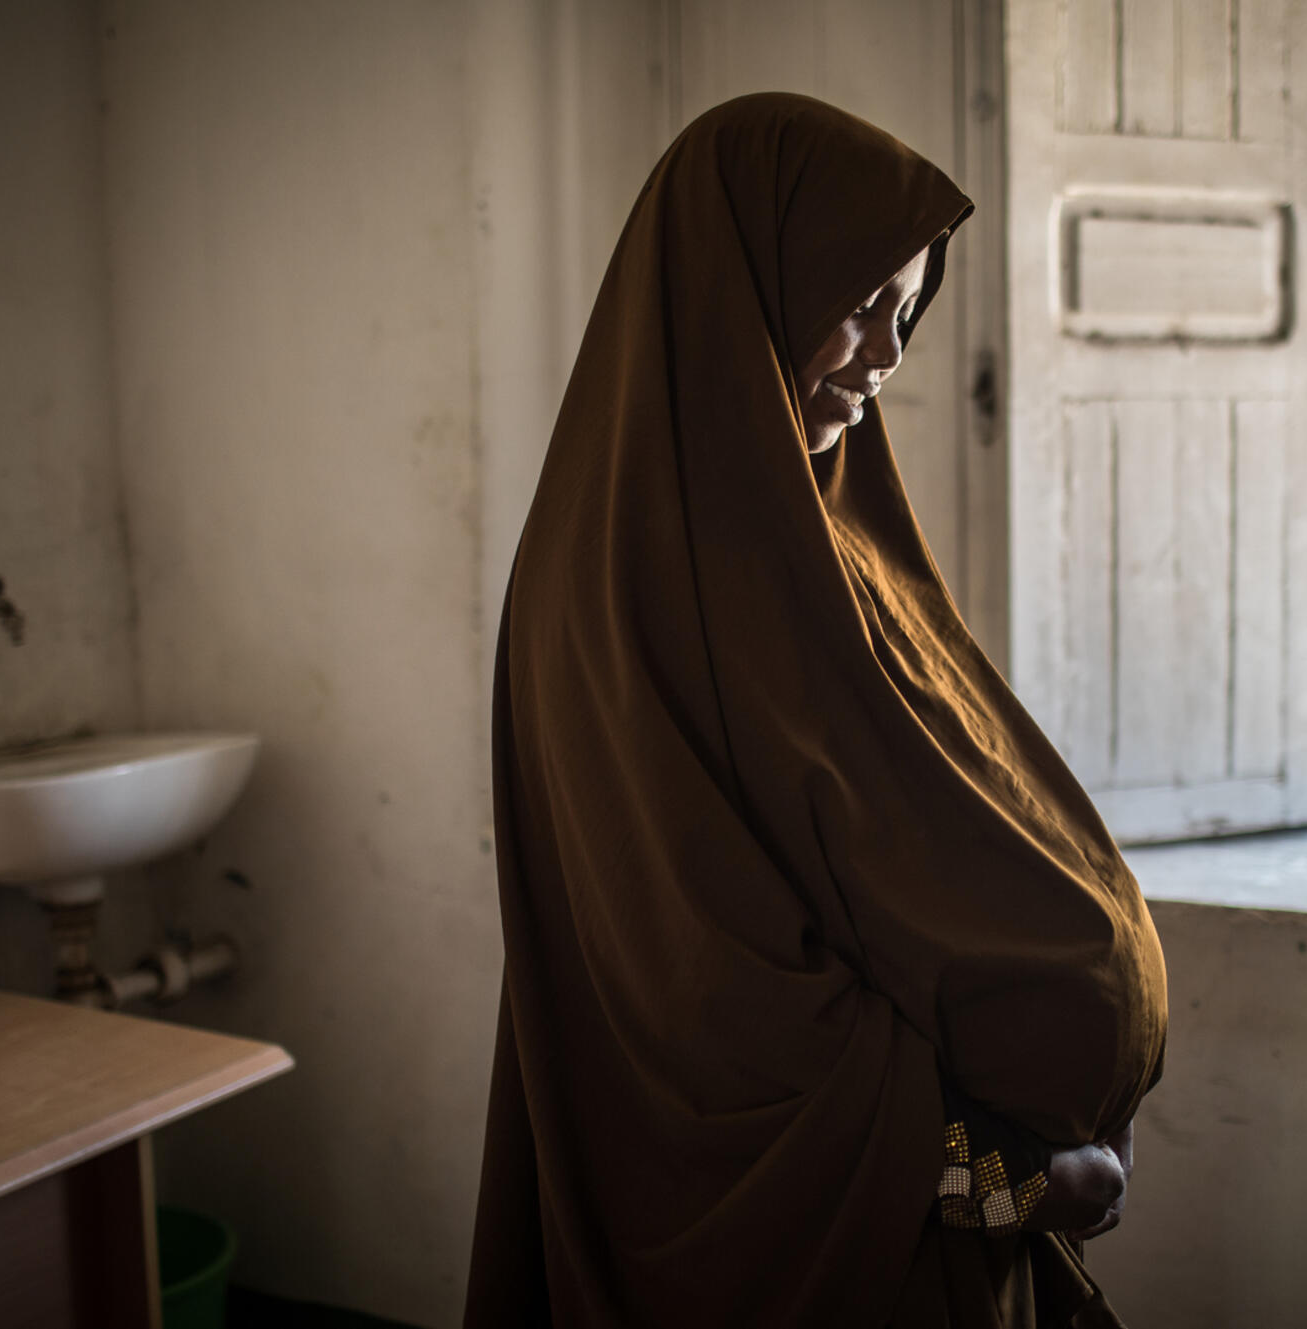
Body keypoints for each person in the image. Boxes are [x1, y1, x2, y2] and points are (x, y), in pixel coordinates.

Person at [465, 92, 1167, 1328]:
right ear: (739, 293)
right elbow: (706, 1014)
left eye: (905, 313)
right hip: (823, 1249)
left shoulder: (823, 534)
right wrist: (1011, 1184)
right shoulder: (632, 584)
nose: (885, 355)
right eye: (855, 306)